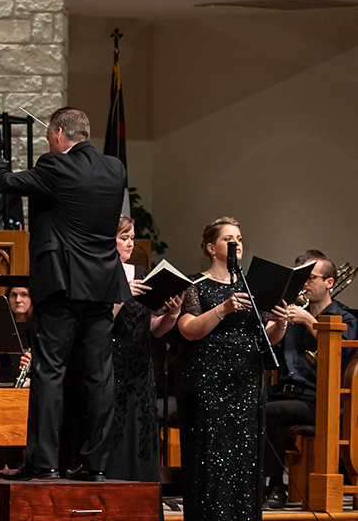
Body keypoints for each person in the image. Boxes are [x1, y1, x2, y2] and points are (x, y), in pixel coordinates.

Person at [0, 107, 127, 481]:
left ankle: (44, 462)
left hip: (60, 286)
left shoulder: (56, 166)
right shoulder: (115, 169)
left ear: (58, 133)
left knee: (48, 374)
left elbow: (4, 181)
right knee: (99, 377)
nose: (47, 142)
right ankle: (96, 465)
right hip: (102, 287)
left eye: (48, 137)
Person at [173, 217, 268, 518]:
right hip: (208, 380)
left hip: (246, 379)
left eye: (239, 238)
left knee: (244, 458)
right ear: (212, 248)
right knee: (210, 456)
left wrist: (279, 321)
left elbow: (268, 338)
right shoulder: (194, 284)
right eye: (229, 238)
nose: (237, 243)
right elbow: (188, 329)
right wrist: (223, 308)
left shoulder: (252, 288)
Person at [264, 250, 356, 507]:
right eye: (300, 277)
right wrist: (278, 323)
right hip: (286, 392)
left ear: (329, 282)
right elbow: (267, 352)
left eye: (311, 277)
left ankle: (275, 486)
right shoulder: (292, 317)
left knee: (272, 412)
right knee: (247, 399)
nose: (304, 283)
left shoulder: (344, 317)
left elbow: (345, 349)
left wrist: (308, 321)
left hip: (320, 399)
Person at [106, 216, 183, 486]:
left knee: (141, 435)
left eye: (132, 237)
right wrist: (121, 294)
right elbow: (97, 325)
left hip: (140, 370)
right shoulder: (98, 275)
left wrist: (173, 314)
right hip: (109, 366)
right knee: (113, 434)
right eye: (123, 238)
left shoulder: (140, 273)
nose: (130, 243)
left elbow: (154, 328)